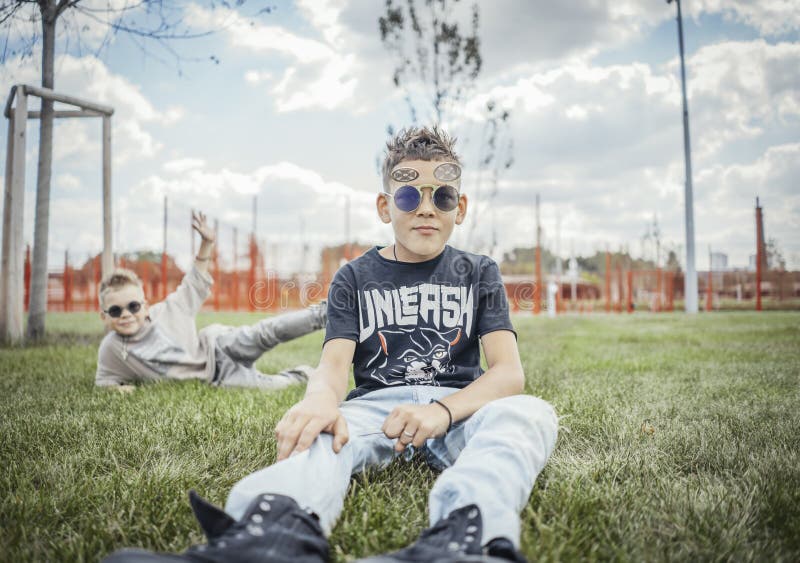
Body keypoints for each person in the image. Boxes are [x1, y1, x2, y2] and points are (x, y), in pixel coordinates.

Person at [104, 127, 558, 562]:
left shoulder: (480, 271)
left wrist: (440, 412)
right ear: (385, 206)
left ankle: (467, 539)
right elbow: (334, 364)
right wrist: (320, 401)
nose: (425, 208)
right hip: (376, 408)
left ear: (459, 207)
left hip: (459, 406)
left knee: (530, 413)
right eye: (408, 195)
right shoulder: (354, 276)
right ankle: (270, 536)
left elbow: (508, 373)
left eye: (441, 196)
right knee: (321, 433)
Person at [95, 210, 326, 391]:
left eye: (133, 306)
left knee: (266, 332)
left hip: (218, 345)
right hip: (217, 377)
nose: (125, 314)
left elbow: (194, 278)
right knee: (273, 386)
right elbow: (104, 381)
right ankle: (305, 374)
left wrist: (206, 244)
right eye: (115, 311)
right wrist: (117, 390)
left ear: (145, 306)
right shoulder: (112, 348)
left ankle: (323, 314)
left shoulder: (170, 310)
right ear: (104, 316)